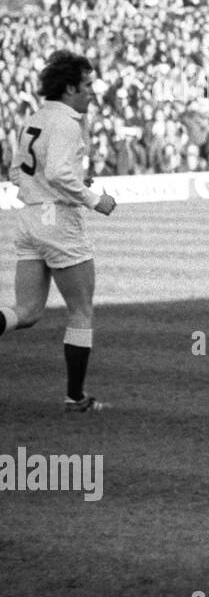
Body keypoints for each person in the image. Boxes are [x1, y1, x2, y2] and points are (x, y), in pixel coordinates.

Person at [0, 51, 118, 412]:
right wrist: (93, 198)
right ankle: (75, 397)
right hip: (59, 223)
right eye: (86, 85)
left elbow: (19, 173)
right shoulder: (68, 122)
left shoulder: (34, 119)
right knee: (81, 310)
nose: (91, 92)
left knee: (28, 311)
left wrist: (56, 187)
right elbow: (58, 175)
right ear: (69, 88)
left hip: (30, 217)